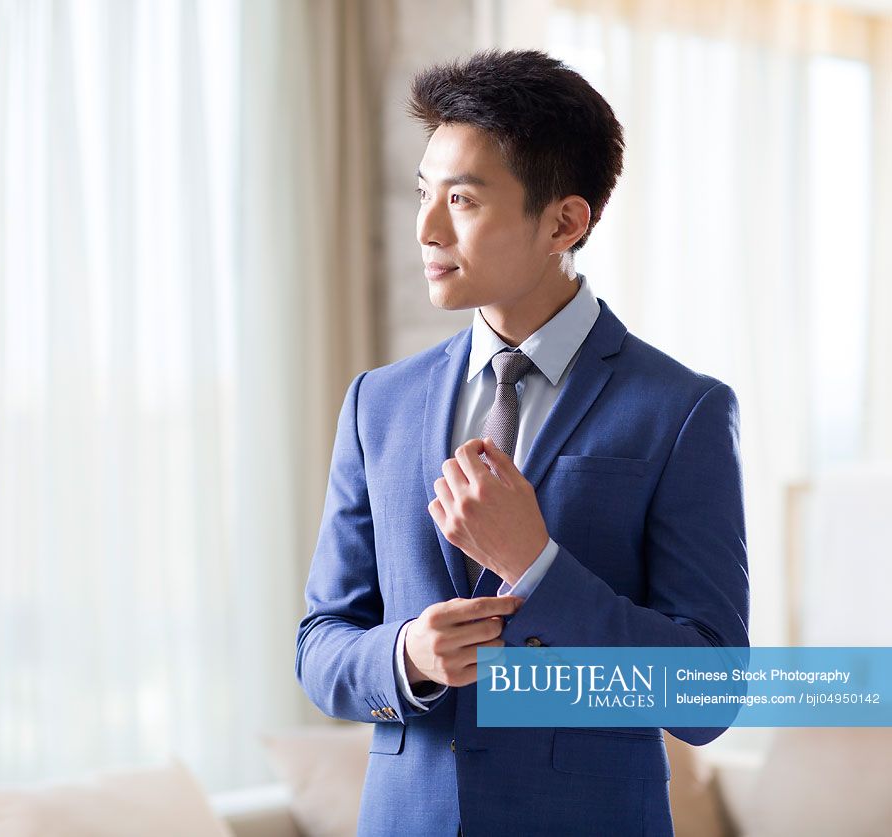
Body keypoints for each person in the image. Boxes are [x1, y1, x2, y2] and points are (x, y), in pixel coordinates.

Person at [294, 49, 750, 836]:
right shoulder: (379, 403)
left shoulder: (682, 411)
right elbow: (319, 645)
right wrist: (405, 655)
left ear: (564, 221)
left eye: (463, 199)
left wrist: (534, 566)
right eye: (423, 193)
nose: (426, 228)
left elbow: (707, 693)